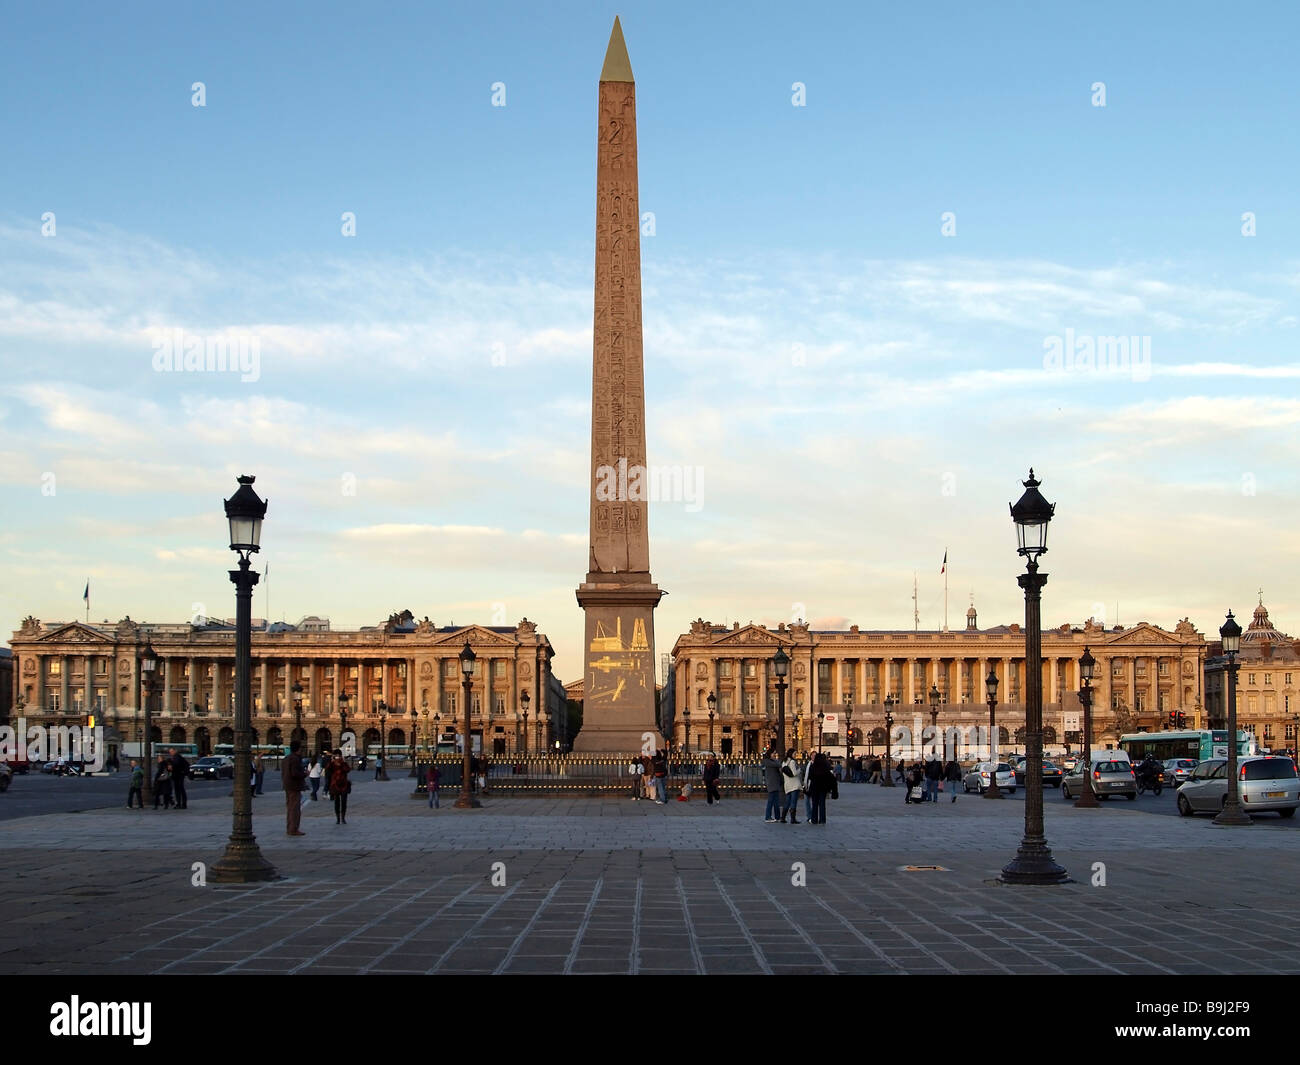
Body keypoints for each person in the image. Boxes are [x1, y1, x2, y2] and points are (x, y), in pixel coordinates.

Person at [281, 739, 307, 836]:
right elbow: (295, 773)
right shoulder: (295, 759)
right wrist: (305, 774)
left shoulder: (286, 758)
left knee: (290, 808)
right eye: (301, 748)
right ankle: (293, 829)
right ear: (298, 749)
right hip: (294, 786)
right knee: (295, 808)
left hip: (287, 786)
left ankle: (290, 827)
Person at [807, 752, 839, 824]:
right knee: (822, 804)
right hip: (823, 789)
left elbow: (810, 777)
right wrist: (833, 790)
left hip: (814, 788)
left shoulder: (813, 767)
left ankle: (814, 819)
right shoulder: (825, 768)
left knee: (814, 804)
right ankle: (822, 820)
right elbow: (832, 779)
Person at [328, 748, 351, 824]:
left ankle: (343, 818)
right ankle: (338, 818)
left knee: (344, 802)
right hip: (335, 785)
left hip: (344, 785)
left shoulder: (343, 763)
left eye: (339, 756)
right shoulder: (332, 764)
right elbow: (327, 770)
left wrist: (342, 763)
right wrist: (331, 761)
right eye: (336, 756)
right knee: (336, 802)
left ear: (341, 756)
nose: (337, 757)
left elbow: (348, 770)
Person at [761, 746, 784, 822]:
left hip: (775, 783)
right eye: (773, 753)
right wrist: (776, 760)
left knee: (776, 801)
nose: (775, 755)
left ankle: (777, 817)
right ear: (770, 754)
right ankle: (768, 817)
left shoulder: (772, 761)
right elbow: (778, 764)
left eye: (775, 753)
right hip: (771, 783)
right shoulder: (767, 761)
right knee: (771, 801)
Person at [781, 749, 802, 823]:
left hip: (787, 784)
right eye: (794, 754)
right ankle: (793, 819)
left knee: (787, 801)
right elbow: (794, 773)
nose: (795, 755)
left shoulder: (784, 762)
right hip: (794, 784)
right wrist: (799, 770)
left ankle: (783, 817)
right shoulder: (792, 762)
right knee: (793, 802)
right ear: (791, 754)